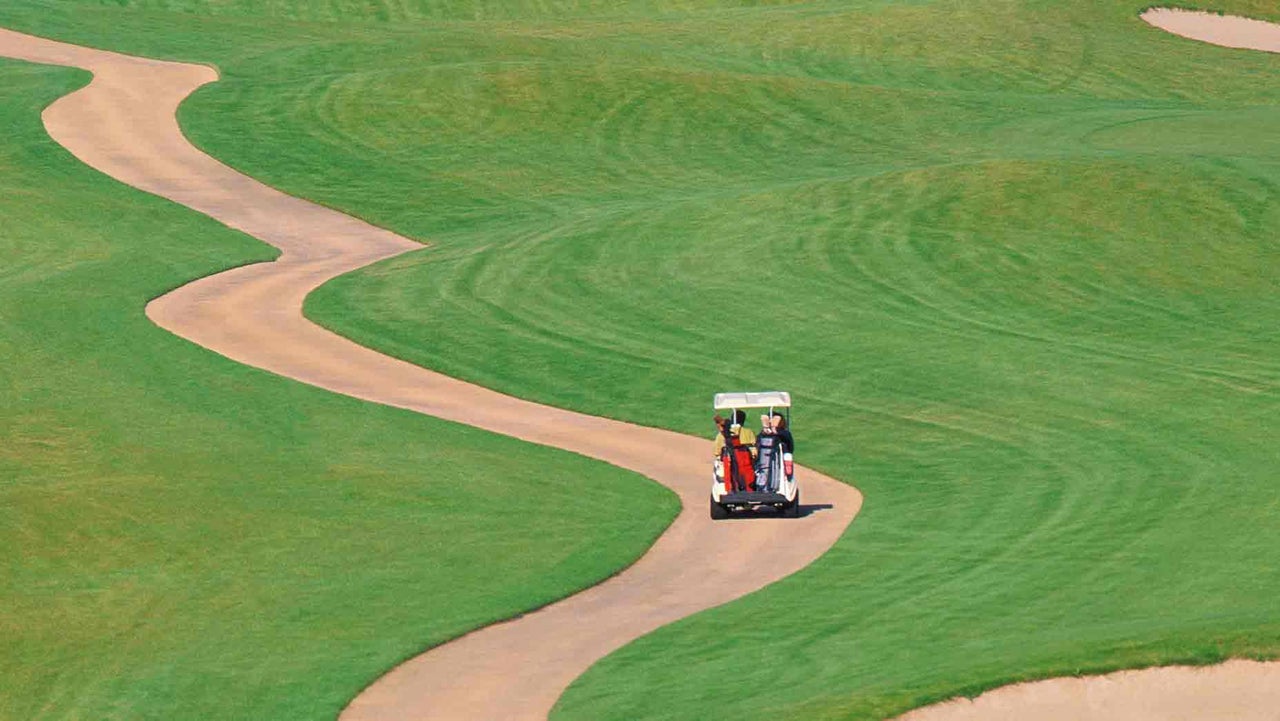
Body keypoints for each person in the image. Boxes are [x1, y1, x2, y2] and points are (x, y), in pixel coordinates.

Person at [713, 410, 757, 492]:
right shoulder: (749, 432)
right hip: (746, 463)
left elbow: (717, 452)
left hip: (730, 464)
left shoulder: (721, 435)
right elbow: (754, 451)